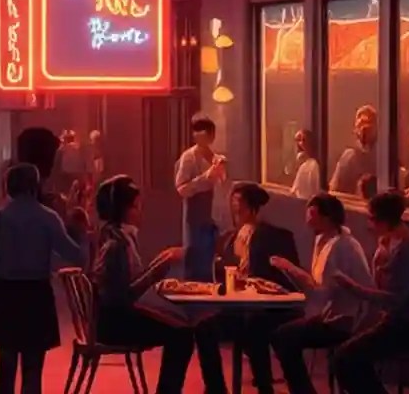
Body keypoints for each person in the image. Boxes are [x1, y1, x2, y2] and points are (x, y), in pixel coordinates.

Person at [92, 175, 227, 394]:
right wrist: (159, 269)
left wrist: (161, 260)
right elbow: (123, 297)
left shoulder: (120, 237)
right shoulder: (115, 245)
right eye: (136, 206)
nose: (140, 211)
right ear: (125, 209)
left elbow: (132, 279)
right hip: (115, 324)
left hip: (118, 316)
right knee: (182, 333)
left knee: (195, 324)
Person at [0, 163, 86, 394]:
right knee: (33, 369)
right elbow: (73, 254)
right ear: (35, 186)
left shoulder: (0, 217)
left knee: (5, 368)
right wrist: (79, 231)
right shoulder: (48, 218)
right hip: (37, 296)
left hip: (6, 295)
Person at [270, 194, 374, 394]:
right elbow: (317, 287)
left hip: (345, 319)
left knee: (283, 337)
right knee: (281, 332)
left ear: (327, 218)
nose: (307, 218)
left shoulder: (343, 246)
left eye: (312, 214)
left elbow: (322, 293)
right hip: (328, 314)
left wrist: (291, 269)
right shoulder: (323, 240)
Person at [331, 191, 409, 394]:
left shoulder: (407, 249)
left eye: (372, 219)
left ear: (385, 220)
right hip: (391, 322)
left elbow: (396, 300)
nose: (369, 224)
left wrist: (354, 288)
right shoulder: (388, 243)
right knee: (346, 352)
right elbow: (381, 289)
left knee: (346, 358)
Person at [214, 182, 300, 394]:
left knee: (255, 324)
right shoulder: (228, 238)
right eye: (233, 204)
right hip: (237, 306)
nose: (235, 210)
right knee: (204, 328)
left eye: (240, 204)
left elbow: (289, 280)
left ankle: (264, 386)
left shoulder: (277, 236)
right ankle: (215, 387)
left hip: (269, 307)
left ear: (254, 207)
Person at [175, 115, 226, 281]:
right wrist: (205, 178)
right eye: (198, 133)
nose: (202, 136)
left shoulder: (216, 158)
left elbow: (224, 187)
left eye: (207, 133)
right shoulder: (189, 157)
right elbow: (181, 188)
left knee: (215, 260)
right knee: (195, 258)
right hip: (195, 216)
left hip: (215, 217)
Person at [331, 105, 377, 196]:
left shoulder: (385, 157)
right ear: (355, 129)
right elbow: (336, 189)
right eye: (361, 124)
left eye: (369, 123)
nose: (365, 128)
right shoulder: (348, 157)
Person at [289, 129, 321, 200]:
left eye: (303, 140)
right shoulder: (293, 163)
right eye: (297, 140)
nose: (300, 144)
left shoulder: (312, 165)